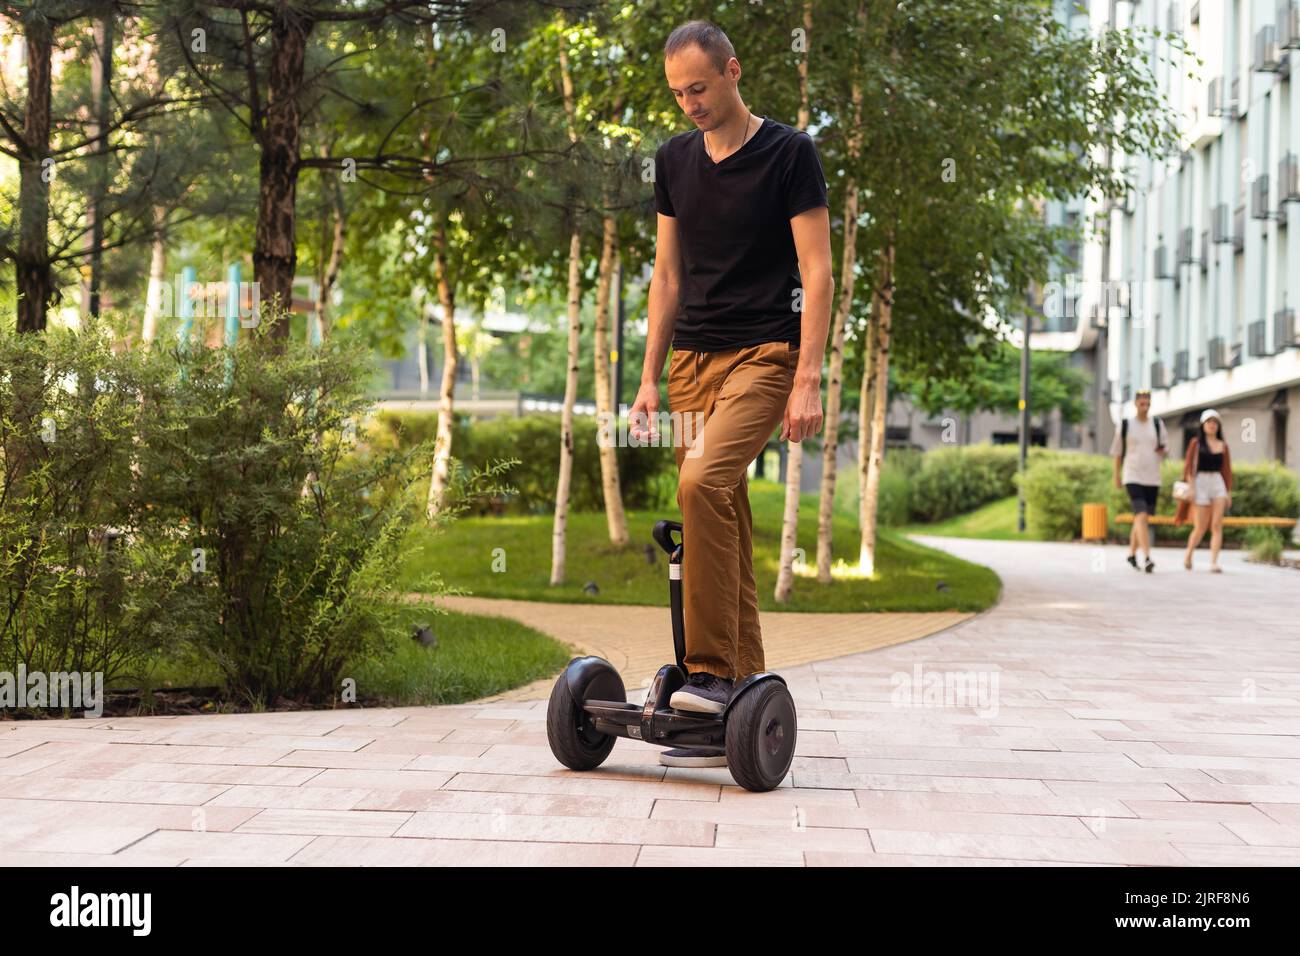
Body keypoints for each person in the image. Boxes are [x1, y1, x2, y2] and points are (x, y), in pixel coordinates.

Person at [628, 19, 832, 717]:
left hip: (763, 357)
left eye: (700, 87)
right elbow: (666, 277)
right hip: (690, 362)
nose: (690, 102)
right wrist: (649, 377)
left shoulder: (789, 153)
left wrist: (809, 376)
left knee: (702, 480)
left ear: (733, 72)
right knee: (720, 507)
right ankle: (744, 685)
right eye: (679, 93)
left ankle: (708, 668)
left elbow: (818, 269)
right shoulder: (674, 160)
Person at [1109, 389, 1169, 572]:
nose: (1145, 405)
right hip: (1132, 475)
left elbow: (1166, 449)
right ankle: (1147, 557)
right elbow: (1118, 452)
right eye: (1141, 402)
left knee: (1141, 518)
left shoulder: (1157, 424)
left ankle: (1131, 553)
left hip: (1152, 477)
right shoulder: (1126, 425)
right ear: (1135, 404)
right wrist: (1116, 475)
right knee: (1142, 515)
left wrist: (1162, 451)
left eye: (1147, 402)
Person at [1176, 408, 1233, 573]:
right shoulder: (1196, 443)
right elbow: (1189, 468)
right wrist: (1191, 487)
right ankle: (1188, 554)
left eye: (1215, 422)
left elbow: (1227, 470)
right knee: (1200, 527)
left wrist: (1228, 491)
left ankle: (1214, 562)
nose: (1212, 425)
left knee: (1216, 525)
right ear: (1203, 424)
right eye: (1209, 422)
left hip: (1217, 483)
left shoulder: (1223, 446)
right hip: (1200, 483)